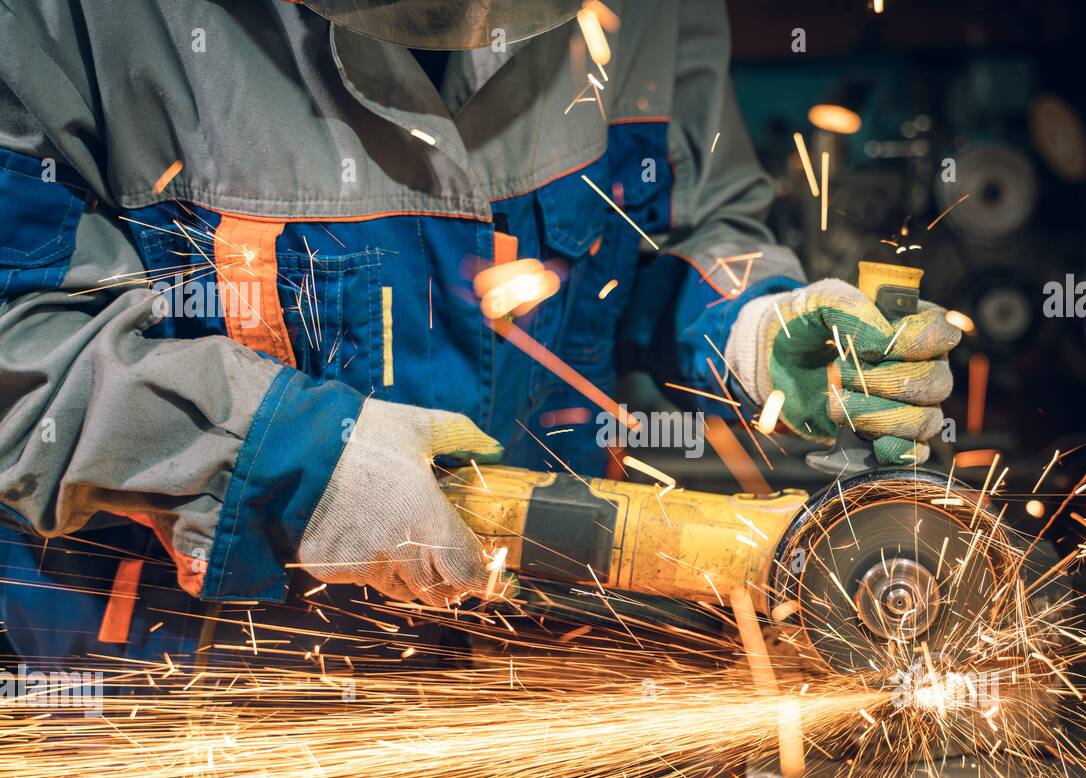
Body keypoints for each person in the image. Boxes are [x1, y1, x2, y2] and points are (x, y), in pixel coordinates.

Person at [0, 0, 957, 663]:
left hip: (549, 654)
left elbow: (687, 221)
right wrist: (280, 455)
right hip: (197, 689)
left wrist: (748, 322)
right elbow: (18, 337)